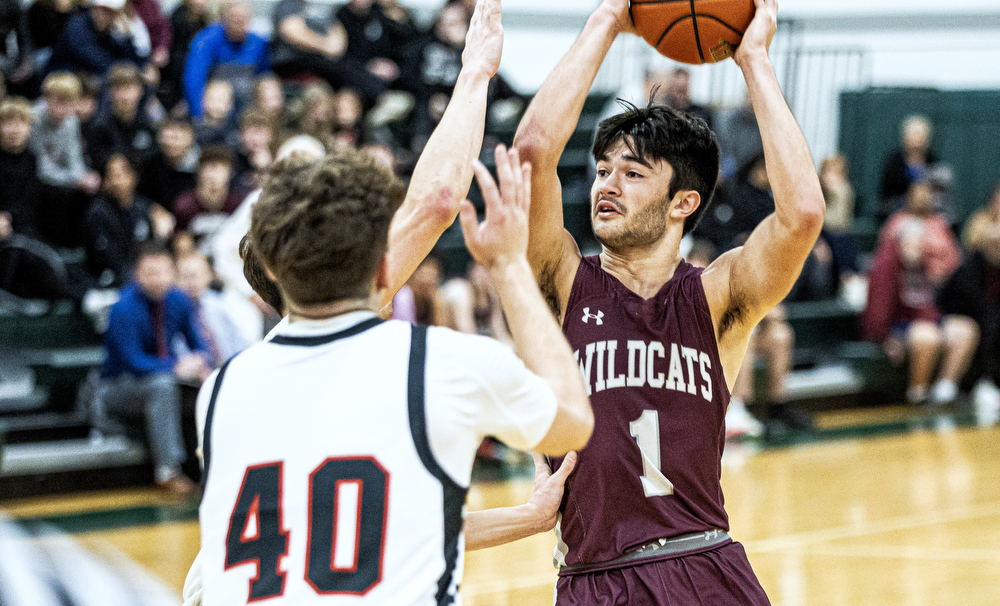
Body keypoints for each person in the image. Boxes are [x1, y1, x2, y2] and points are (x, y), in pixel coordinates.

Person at [467, 0, 824, 603]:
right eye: (603, 170)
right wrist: (607, 19)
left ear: (684, 202)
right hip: (594, 578)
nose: (607, 185)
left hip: (705, 565)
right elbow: (531, 156)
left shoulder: (716, 295)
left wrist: (754, 61)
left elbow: (804, 214)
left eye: (632, 174)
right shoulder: (562, 280)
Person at [96, 242, 209, 496]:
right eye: (150, 273)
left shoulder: (178, 300)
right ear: (136, 274)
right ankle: (167, 471)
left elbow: (198, 342)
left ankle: (206, 466)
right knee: (163, 386)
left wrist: (200, 361)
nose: (158, 279)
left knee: (205, 384)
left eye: (163, 272)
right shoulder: (122, 307)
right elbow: (134, 362)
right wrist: (176, 367)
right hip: (118, 388)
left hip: (163, 378)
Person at [862, 180, 974, 405]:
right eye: (911, 243)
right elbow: (876, 310)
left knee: (965, 329)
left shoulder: (924, 264)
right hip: (897, 326)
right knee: (927, 335)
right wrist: (885, 339)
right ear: (900, 241)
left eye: (920, 244)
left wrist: (936, 321)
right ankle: (918, 393)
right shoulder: (886, 266)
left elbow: (928, 304)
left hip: (922, 321)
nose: (915, 248)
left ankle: (946, 390)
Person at [183, 0, 269, 120]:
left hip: (246, 109)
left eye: (243, 18)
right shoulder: (207, 40)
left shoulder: (258, 44)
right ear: (224, 18)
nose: (239, 21)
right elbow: (194, 79)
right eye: (234, 17)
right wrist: (199, 116)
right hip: (214, 110)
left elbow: (264, 78)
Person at [46, 0, 140, 77]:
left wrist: (126, 38)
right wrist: (121, 71)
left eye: (109, 12)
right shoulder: (77, 26)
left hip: (89, 80)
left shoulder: (112, 31)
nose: (102, 15)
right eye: (99, 9)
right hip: (60, 78)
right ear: (92, 8)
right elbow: (94, 60)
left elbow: (129, 62)